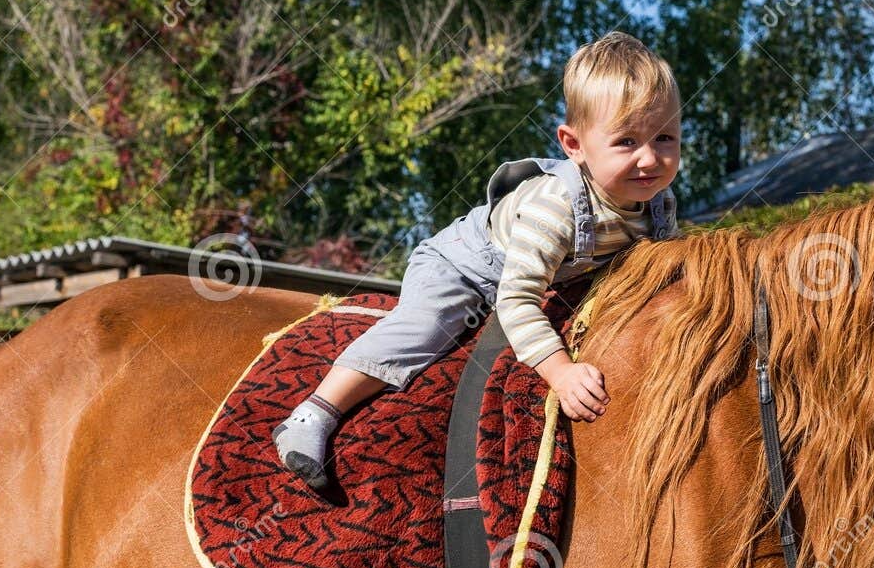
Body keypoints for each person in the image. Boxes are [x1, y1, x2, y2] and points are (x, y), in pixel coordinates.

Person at [273, 31, 682, 490]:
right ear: (573, 145)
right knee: (427, 325)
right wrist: (560, 371)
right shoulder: (556, 206)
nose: (650, 158)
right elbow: (517, 298)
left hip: (550, 276)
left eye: (665, 137)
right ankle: (315, 413)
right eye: (626, 141)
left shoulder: (659, 205)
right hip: (467, 266)